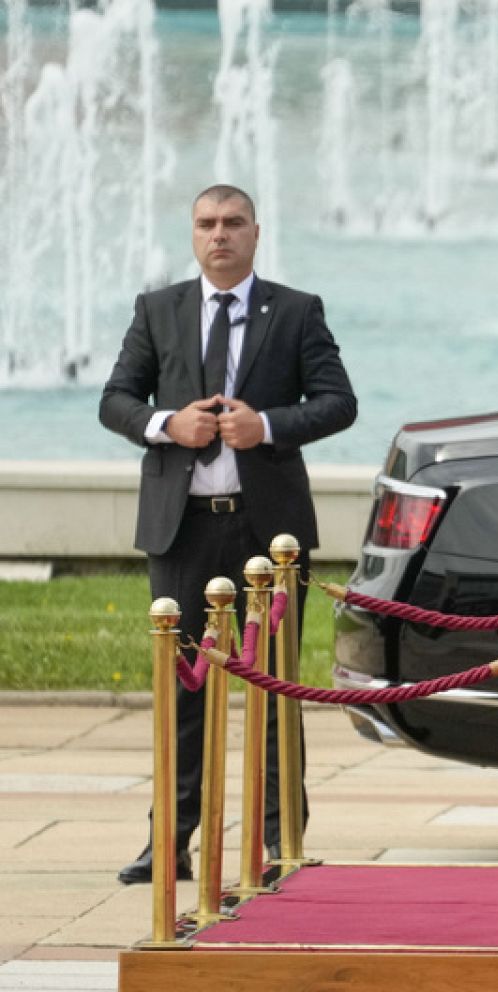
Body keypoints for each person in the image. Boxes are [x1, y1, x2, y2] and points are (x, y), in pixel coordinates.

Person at [99, 183, 357, 885]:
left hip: (268, 532)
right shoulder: (159, 310)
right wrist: (166, 424)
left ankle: (280, 846)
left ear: (255, 232)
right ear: (193, 235)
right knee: (181, 692)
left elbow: (339, 402)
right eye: (208, 224)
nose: (220, 234)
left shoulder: (296, 311)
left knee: (274, 690)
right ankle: (168, 843)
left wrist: (266, 425)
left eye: (233, 223)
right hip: (182, 532)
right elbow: (115, 399)